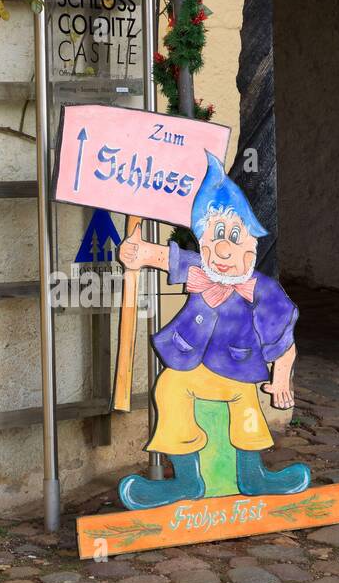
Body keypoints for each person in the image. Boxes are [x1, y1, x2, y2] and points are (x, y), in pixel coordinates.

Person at [117, 151, 310, 509]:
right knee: (170, 388)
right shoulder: (201, 271)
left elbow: (284, 341)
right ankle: (187, 482)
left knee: (247, 406)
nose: (224, 247)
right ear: (204, 243)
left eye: (235, 236)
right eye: (216, 236)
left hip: (239, 372)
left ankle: (253, 476)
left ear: (251, 244)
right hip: (192, 366)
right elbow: (160, 256)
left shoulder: (262, 290)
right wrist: (136, 251)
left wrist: (281, 379)